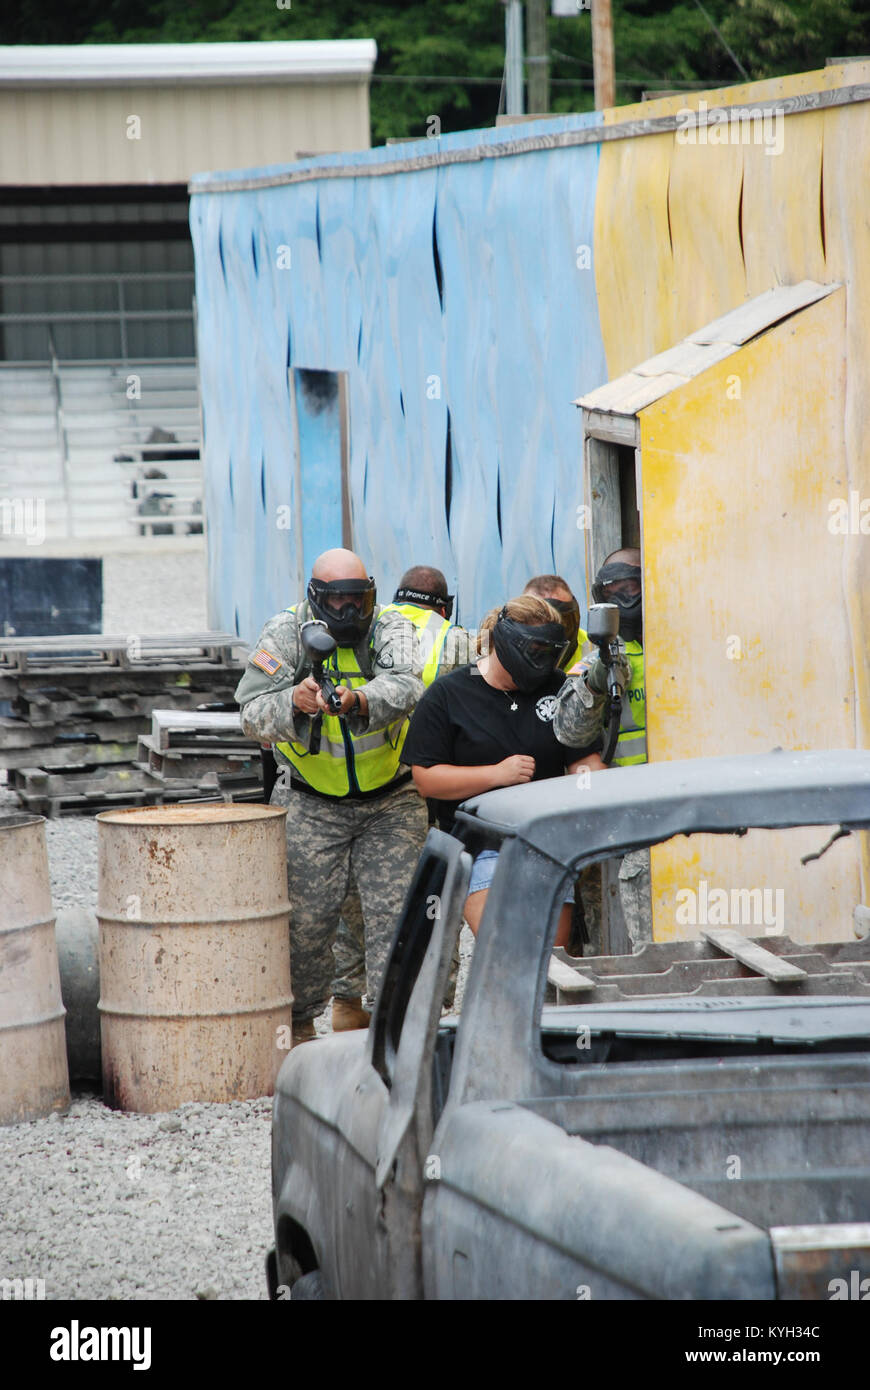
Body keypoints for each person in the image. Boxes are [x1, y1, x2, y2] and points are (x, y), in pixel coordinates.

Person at [234, 548, 427, 1044]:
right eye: (336, 601)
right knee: (306, 925)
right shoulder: (284, 632)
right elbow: (250, 714)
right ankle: (298, 1031)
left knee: (399, 916)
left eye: (357, 599)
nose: (348, 612)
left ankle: (400, 1031)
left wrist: (361, 700)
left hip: (391, 801)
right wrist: (293, 702)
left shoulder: (390, 626)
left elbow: (409, 684)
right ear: (316, 598)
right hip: (310, 802)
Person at [400, 594, 610, 943]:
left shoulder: (560, 688)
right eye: (535, 650)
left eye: (550, 651)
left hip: (549, 845)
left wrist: (591, 781)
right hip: (480, 846)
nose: (543, 661)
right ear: (507, 644)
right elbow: (426, 779)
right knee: (506, 954)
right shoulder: (449, 695)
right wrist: (496, 774)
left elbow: (583, 758)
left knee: (549, 961)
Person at [331, 564, 472, 1029]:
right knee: (431, 895)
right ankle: (436, 1005)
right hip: (433, 789)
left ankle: (350, 1006)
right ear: (445, 605)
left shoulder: (373, 627)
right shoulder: (459, 639)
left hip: (372, 783)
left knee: (355, 897)